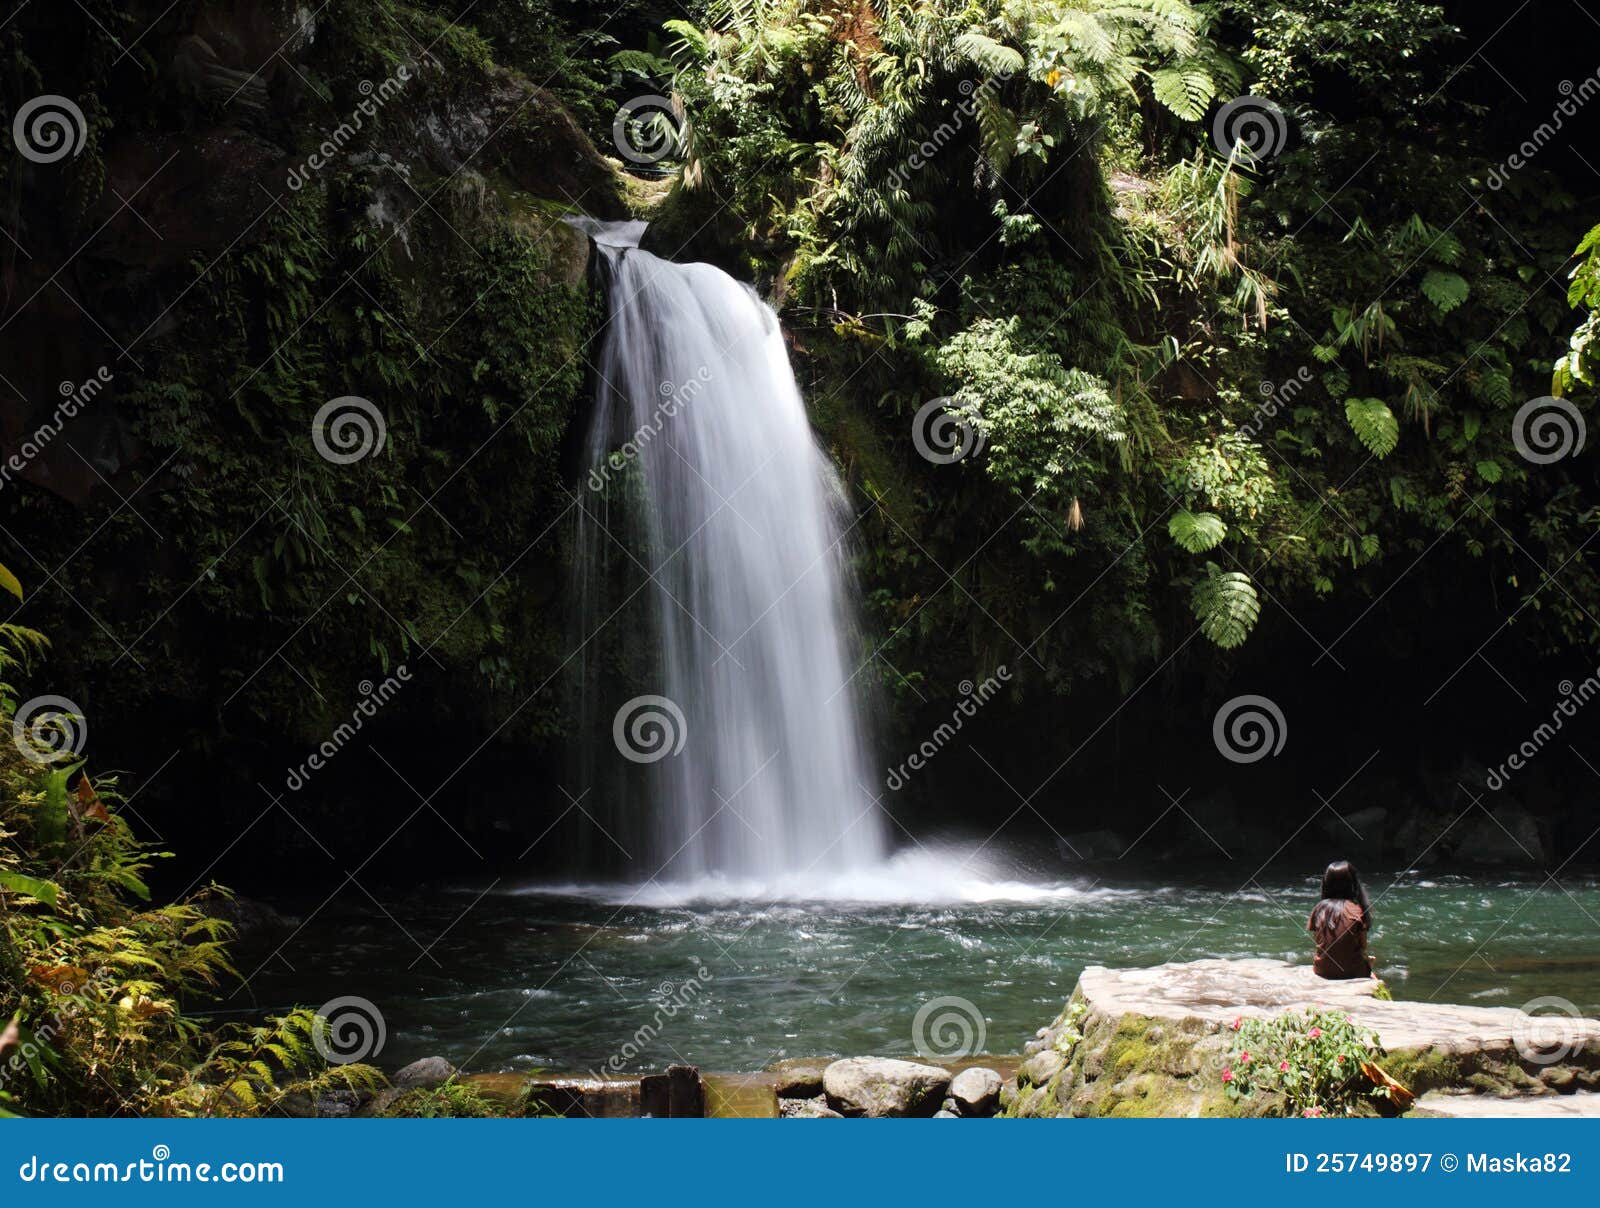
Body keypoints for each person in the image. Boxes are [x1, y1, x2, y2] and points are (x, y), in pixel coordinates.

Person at [1308, 860, 1373, 979]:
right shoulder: (1357, 909)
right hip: (1353, 973)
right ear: (1353, 883)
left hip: (1321, 971)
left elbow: (1320, 943)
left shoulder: (1319, 908)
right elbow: (1363, 946)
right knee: (1370, 969)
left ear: (1326, 883)